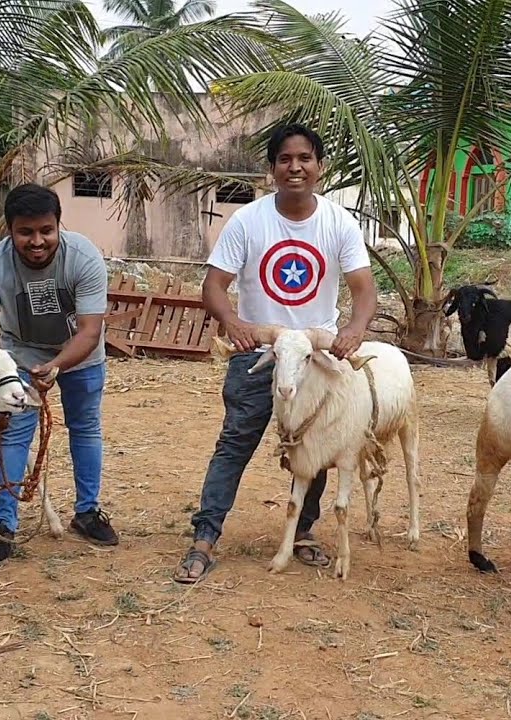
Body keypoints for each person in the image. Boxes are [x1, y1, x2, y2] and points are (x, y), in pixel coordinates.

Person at [173, 122, 378, 584]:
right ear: (271, 169)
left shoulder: (339, 222)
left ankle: (303, 532)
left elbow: (364, 291)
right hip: (258, 353)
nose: (295, 167)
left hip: (317, 358)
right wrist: (232, 323)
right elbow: (214, 285)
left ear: (320, 168)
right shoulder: (248, 220)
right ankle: (204, 538)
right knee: (235, 442)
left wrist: (355, 328)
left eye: (305, 158)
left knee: (319, 446)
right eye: (285, 159)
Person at [0, 182, 117, 567]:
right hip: (20, 354)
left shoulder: (84, 257)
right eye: (26, 232)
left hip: (80, 354)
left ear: (58, 226)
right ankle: (4, 527)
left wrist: (56, 366)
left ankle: (87, 512)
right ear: (10, 230)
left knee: (85, 427)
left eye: (45, 231)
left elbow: (89, 330)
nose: (37, 241)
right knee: (14, 432)